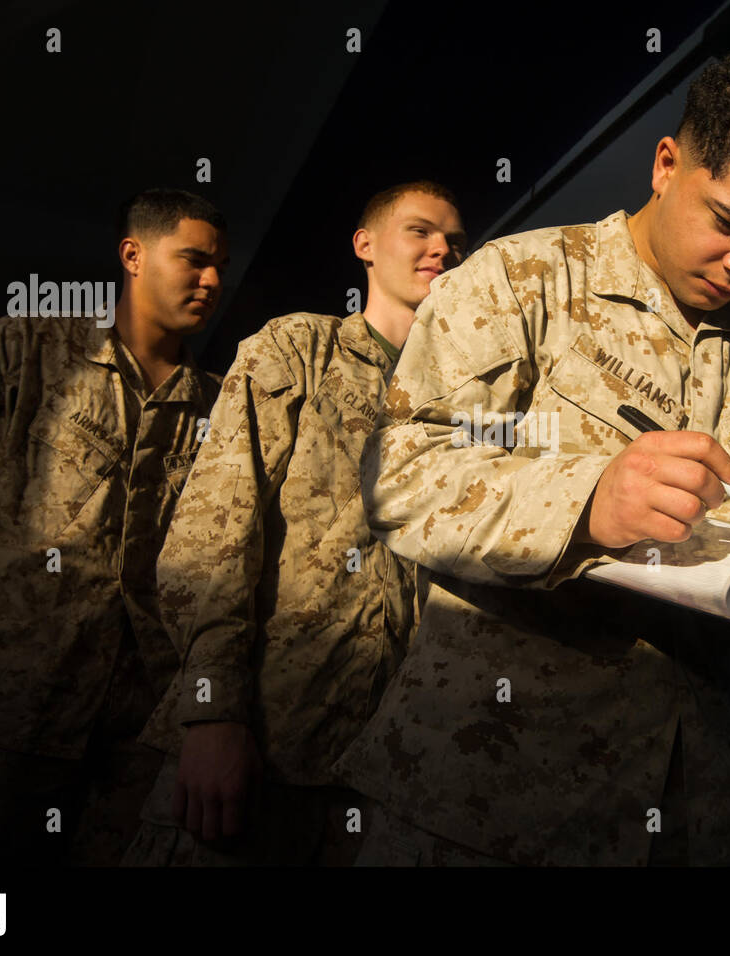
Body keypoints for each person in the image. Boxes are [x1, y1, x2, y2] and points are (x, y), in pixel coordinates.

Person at [336, 42, 730, 865]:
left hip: (689, 820)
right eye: (729, 224)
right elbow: (402, 477)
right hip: (483, 799)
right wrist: (585, 501)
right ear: (666, 164)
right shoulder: (520, 282)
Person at [0, 188, 228, 865]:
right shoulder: (24, 349)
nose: (212, 281)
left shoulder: (219, 407)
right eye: (194, 260)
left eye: (219, 266)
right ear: (133, 255)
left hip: (127, 745)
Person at [125, 181, 465, 865]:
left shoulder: (471, 397)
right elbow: (215, 531)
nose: (442, 250)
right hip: (267, 739)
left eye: (456, 242)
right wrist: (212, 711)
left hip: (395, 767)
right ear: (364, 246)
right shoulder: (298, 348)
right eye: (421, 231)